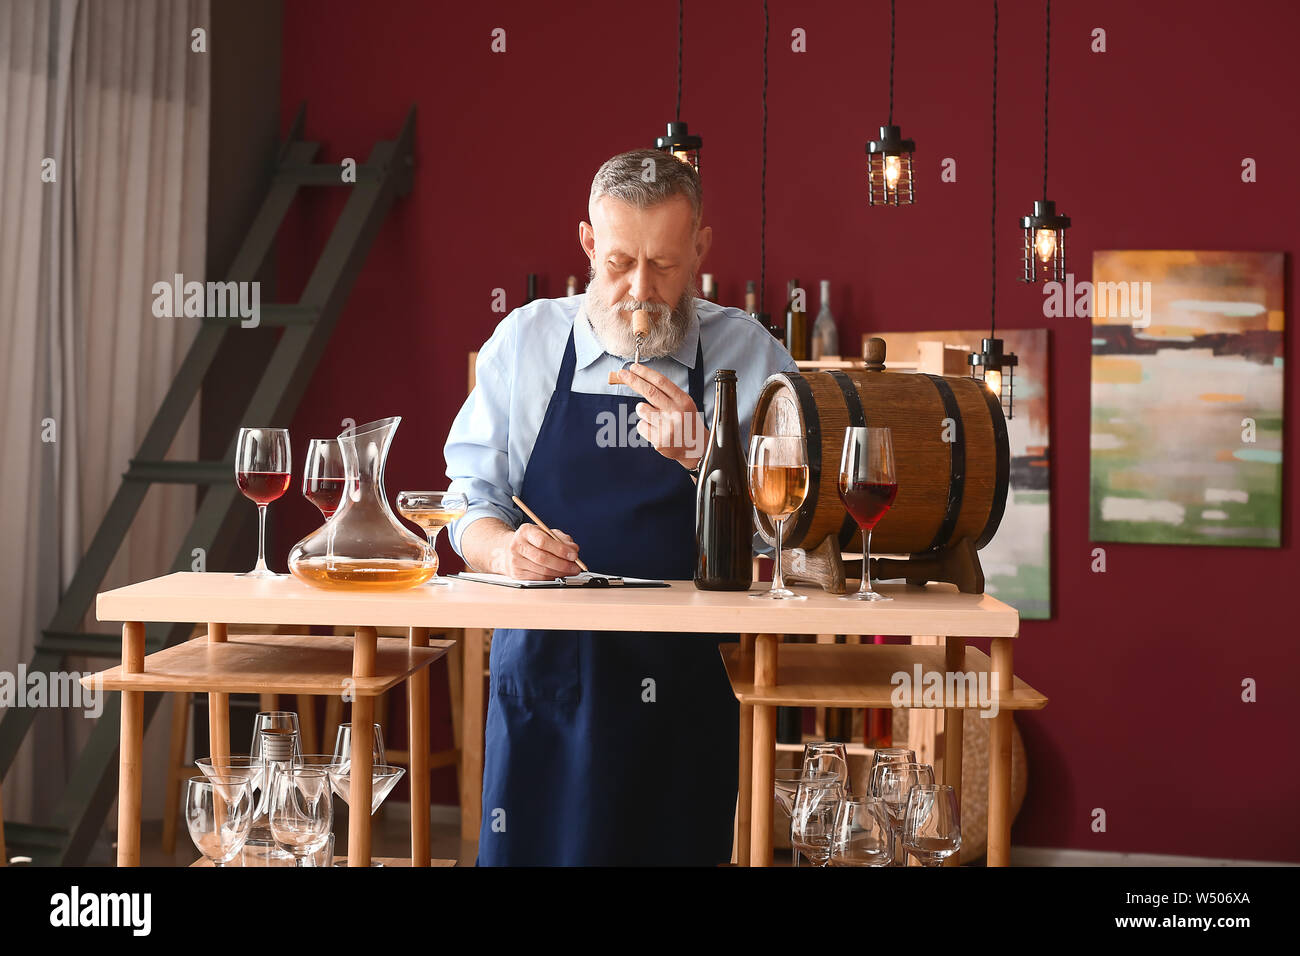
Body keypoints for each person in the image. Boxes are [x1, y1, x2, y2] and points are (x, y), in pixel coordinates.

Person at [444, 148, 797, 865]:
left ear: (700, 247)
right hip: (548, 680)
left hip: (690, 686)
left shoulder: (751, 356)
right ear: (586, 245)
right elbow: (468, 503)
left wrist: (710, 461)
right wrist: (505, 550)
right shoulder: (527, 342)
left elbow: (793, 534)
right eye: (618, 263)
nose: (641, 289)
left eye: (665, 266)